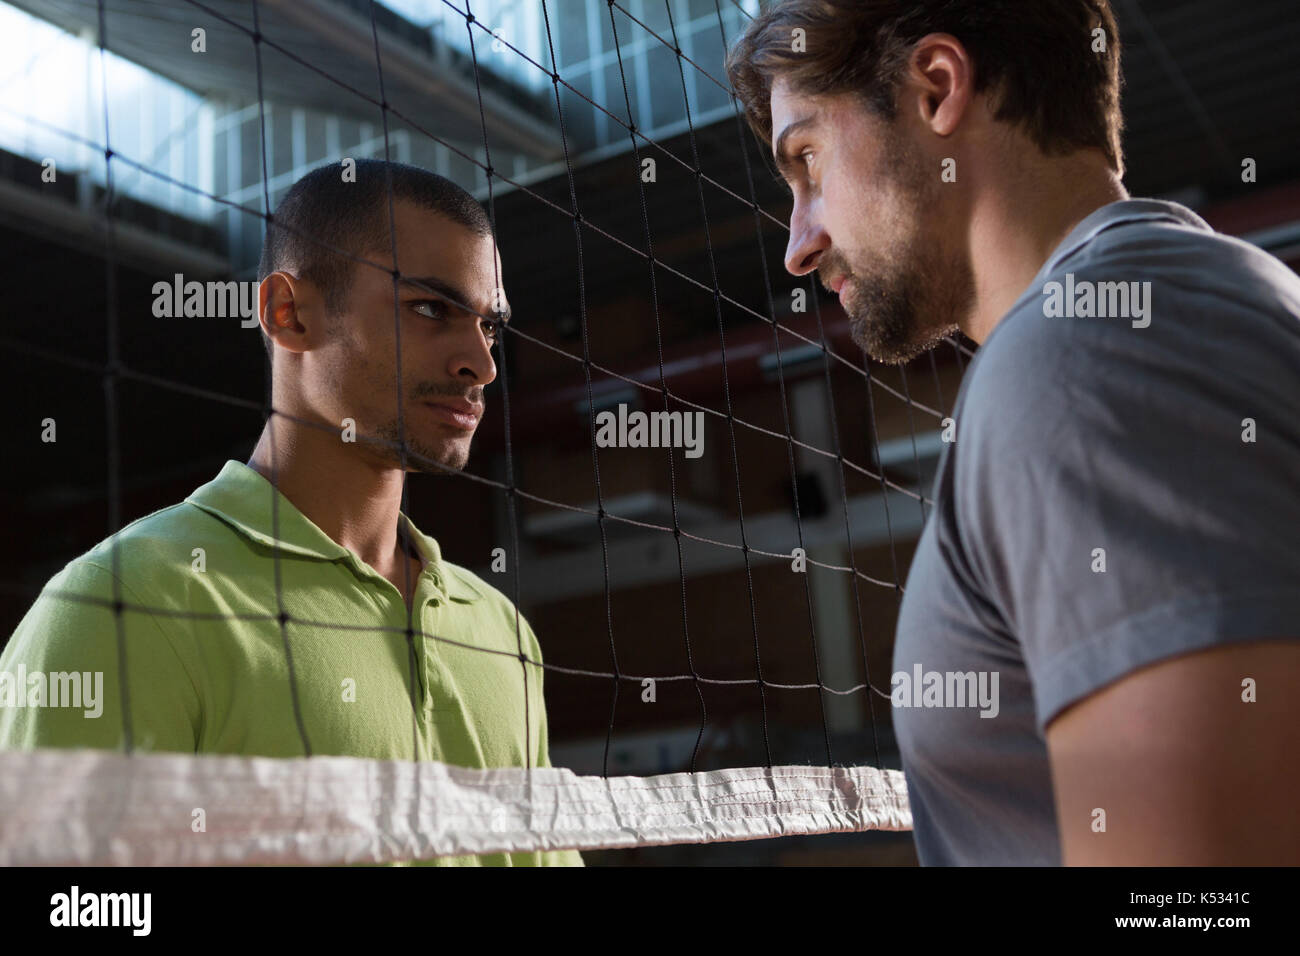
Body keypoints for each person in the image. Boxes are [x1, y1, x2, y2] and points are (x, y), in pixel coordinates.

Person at [727, 0, 1300, 864]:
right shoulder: (1205, 298)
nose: (798, 245)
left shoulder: (1080, 355)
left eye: (808, 158)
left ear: (935, 88)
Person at [0, 160, 582, 867]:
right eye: (432, 308)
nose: (481, 364)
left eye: (490, 326)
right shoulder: (121, 605)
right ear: (289, 313)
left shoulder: (500, 633)